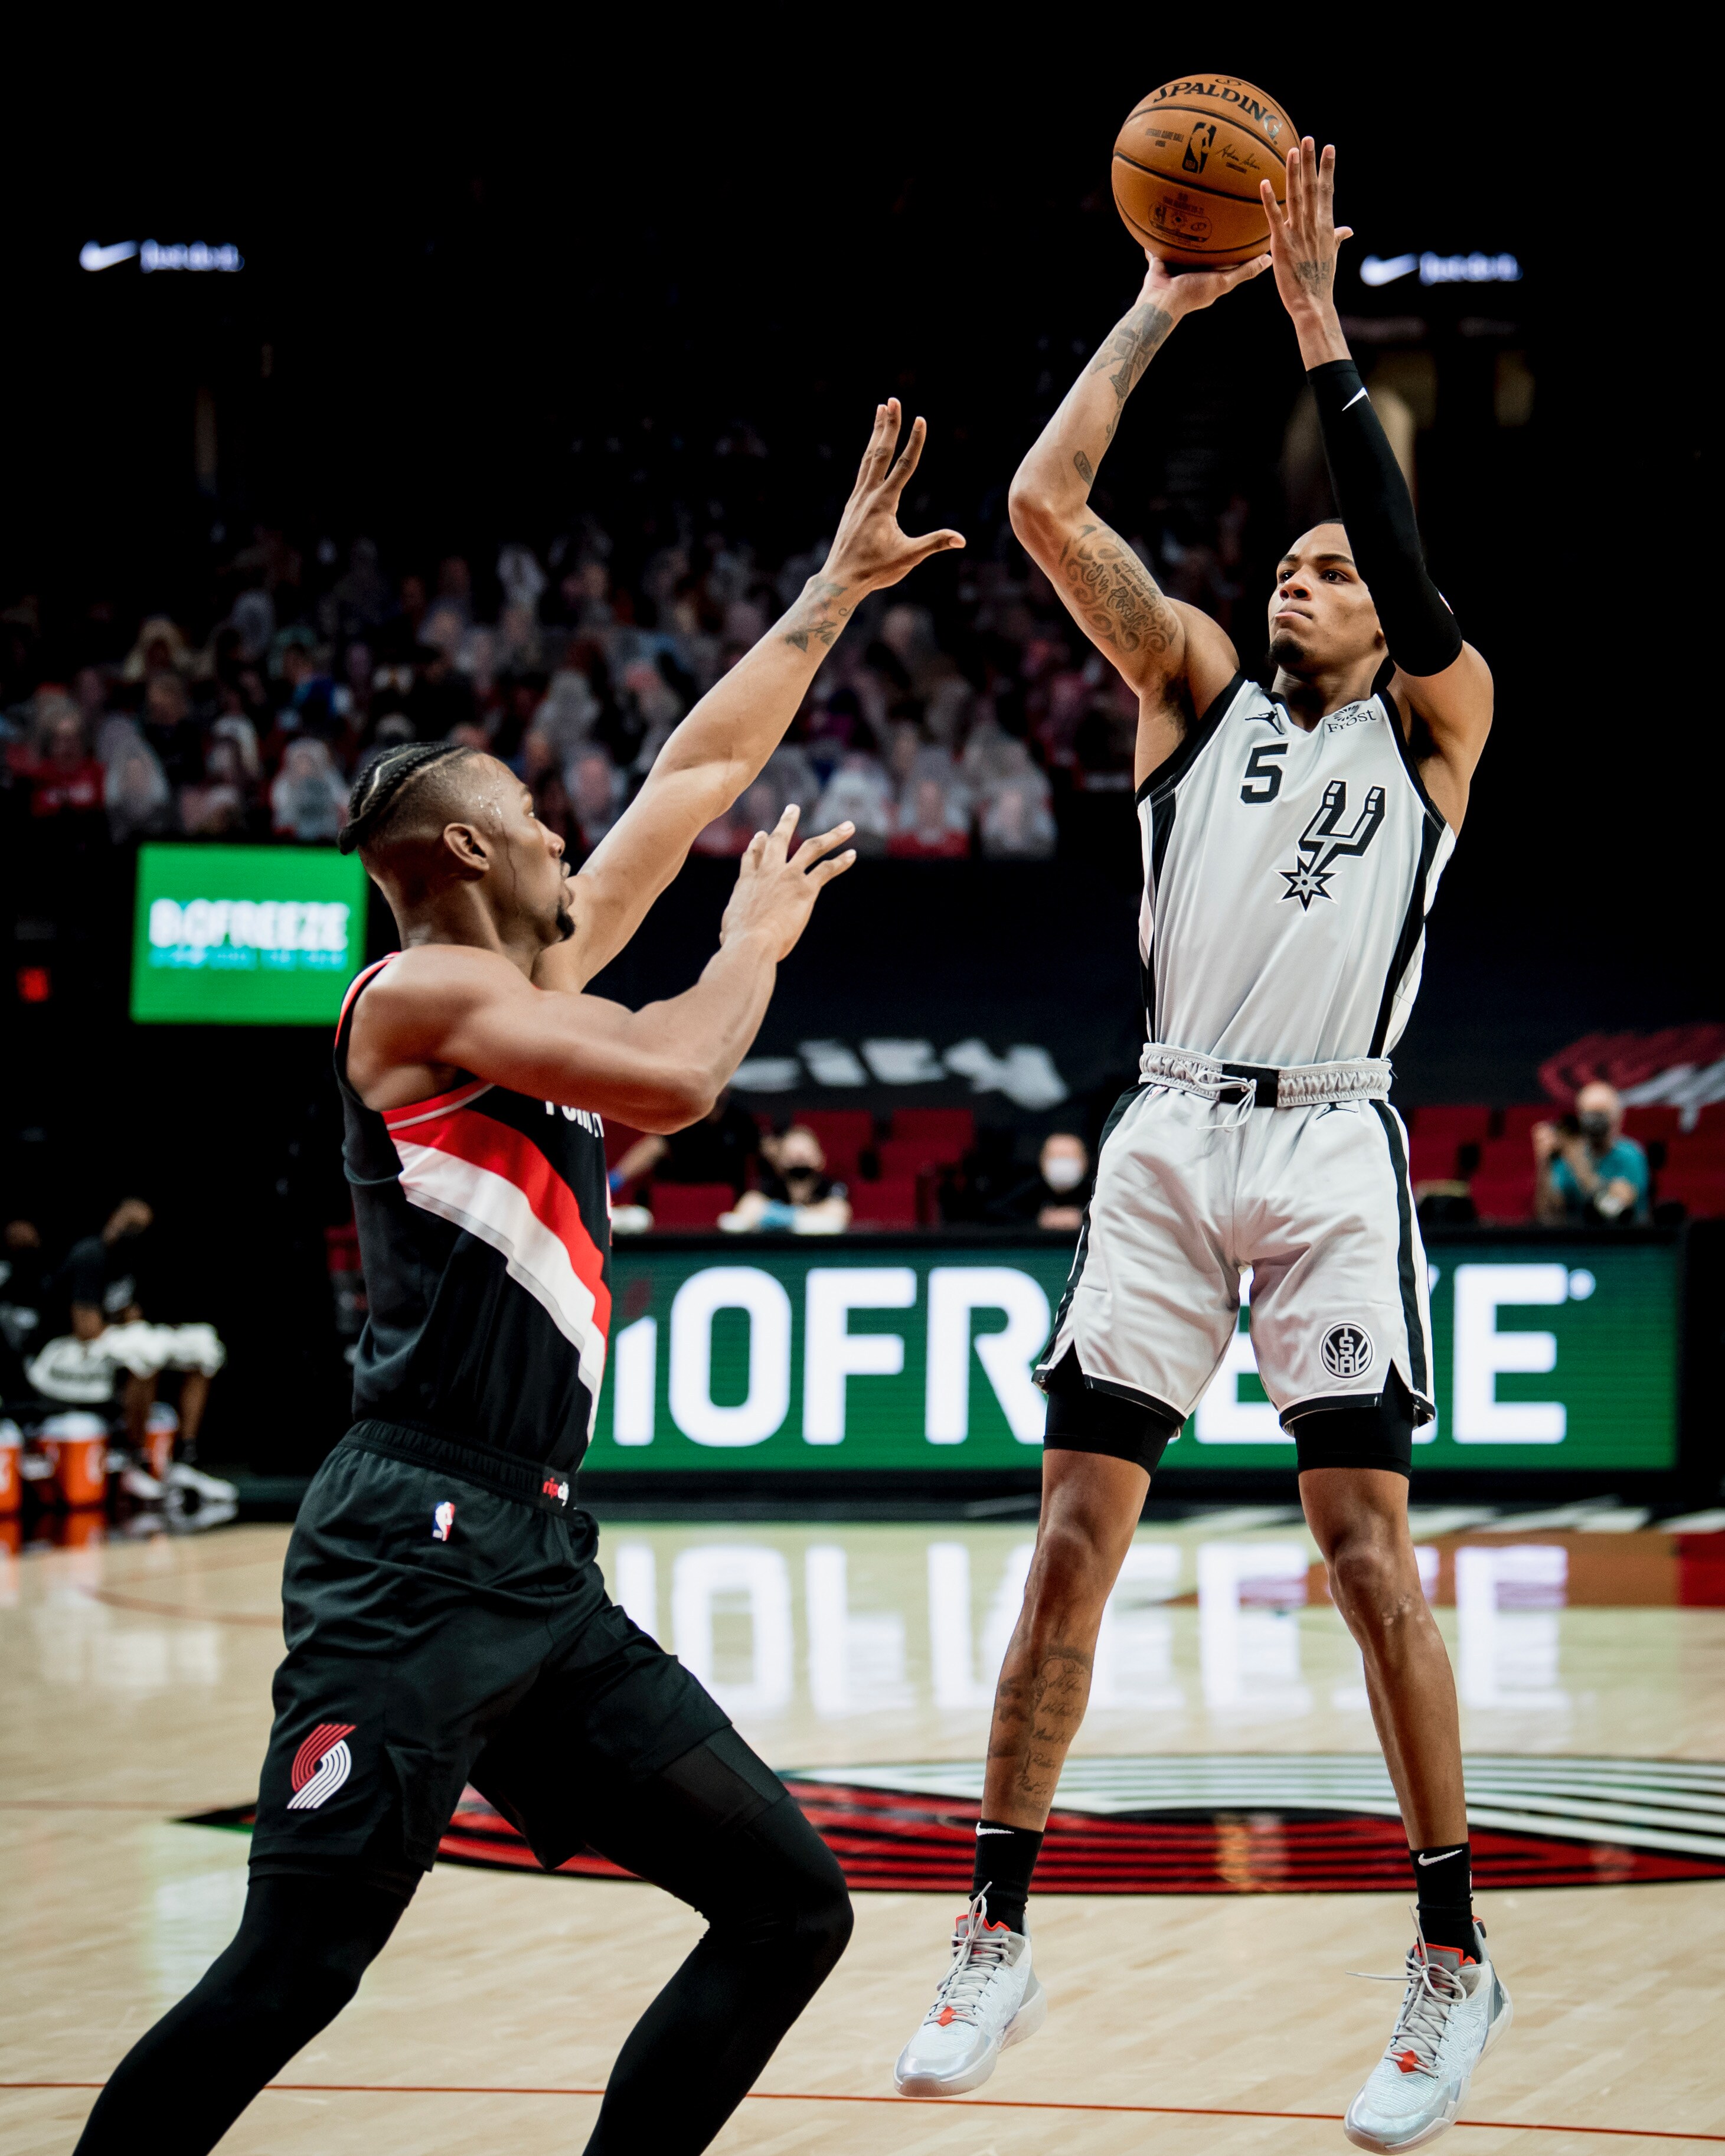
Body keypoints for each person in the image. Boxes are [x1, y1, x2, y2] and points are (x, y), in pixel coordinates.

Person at [73, 399, 960, 2156]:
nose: (569, 827)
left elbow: (688, 781)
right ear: (468, 851)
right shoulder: (413, 999)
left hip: (537, 1564)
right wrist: (748, 948)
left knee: (789, 1905)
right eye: (534, 812)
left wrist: (829, 592)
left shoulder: (530, 983)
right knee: (295, 1962)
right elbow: (686, 1075)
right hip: (406, 1548)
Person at [894, 144, 1508, 2153]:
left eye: (1326, 565)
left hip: (1333, 1150)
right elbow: (1039, 506)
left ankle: (1448, 1954)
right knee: (1070, 1542)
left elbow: (1417, 589)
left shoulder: (1440, 715)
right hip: (1166, 1133)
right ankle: (991, 1927)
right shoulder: (1191, 687)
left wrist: (1324, 332)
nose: (1295, 577)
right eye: (1288, 560)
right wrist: (1166, 300)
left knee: (1361, 1556)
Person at [612, 1086, 761, 1197]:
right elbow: (653, 1147)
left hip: (728, 1205)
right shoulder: (685, 1117)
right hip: (683, 1198)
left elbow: (765, 1149)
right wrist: (616, 1178)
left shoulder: (741, 1120)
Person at [1534, 1082, 1648, 1224]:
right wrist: (1545, 1163)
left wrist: (1578, 1163)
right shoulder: (1568, 1155)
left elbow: (1614, 1211)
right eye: (1590, 1115)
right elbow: (1547, 1216)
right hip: (1576, 1242)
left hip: (1621, 1242)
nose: (1595, 1123)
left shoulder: (1630, 1156)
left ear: (1618, 1119)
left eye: (1602, 1115)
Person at [719, 1124, 851, 1233]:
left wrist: (774, 1215)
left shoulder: (833, 1187)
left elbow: (838, 1214)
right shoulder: (769, 1186)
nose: (799, 1160)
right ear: (780, 1160)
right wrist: (806, 1218)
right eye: (793, 1155)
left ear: (820, 1159)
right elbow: (749, 1207)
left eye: (805, 1155)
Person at [991, 1132, 1092, 1231]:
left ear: (1085, 1161)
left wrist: (1084, 1218)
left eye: (1068, 1156)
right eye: (1056, 1156)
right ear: (1042, 1161)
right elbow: (994, 1213)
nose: (1062, 1162)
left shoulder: (1096, 1192)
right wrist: (1038, 1220)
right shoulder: (1030, 1192)